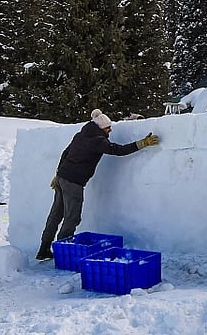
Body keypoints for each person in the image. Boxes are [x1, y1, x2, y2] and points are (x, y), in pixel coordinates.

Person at [36, 109, 160, 261]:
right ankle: (64, 252)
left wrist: (57, 174)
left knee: (56, 214)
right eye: (108, 127)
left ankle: (44, 249)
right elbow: (117, 150)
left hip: (63, 177)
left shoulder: (80, 135)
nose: (110, 130)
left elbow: (65, 153)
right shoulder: (97, 141)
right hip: (74, 182)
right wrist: (142, 144)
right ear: (101, 128)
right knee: (72, 218)